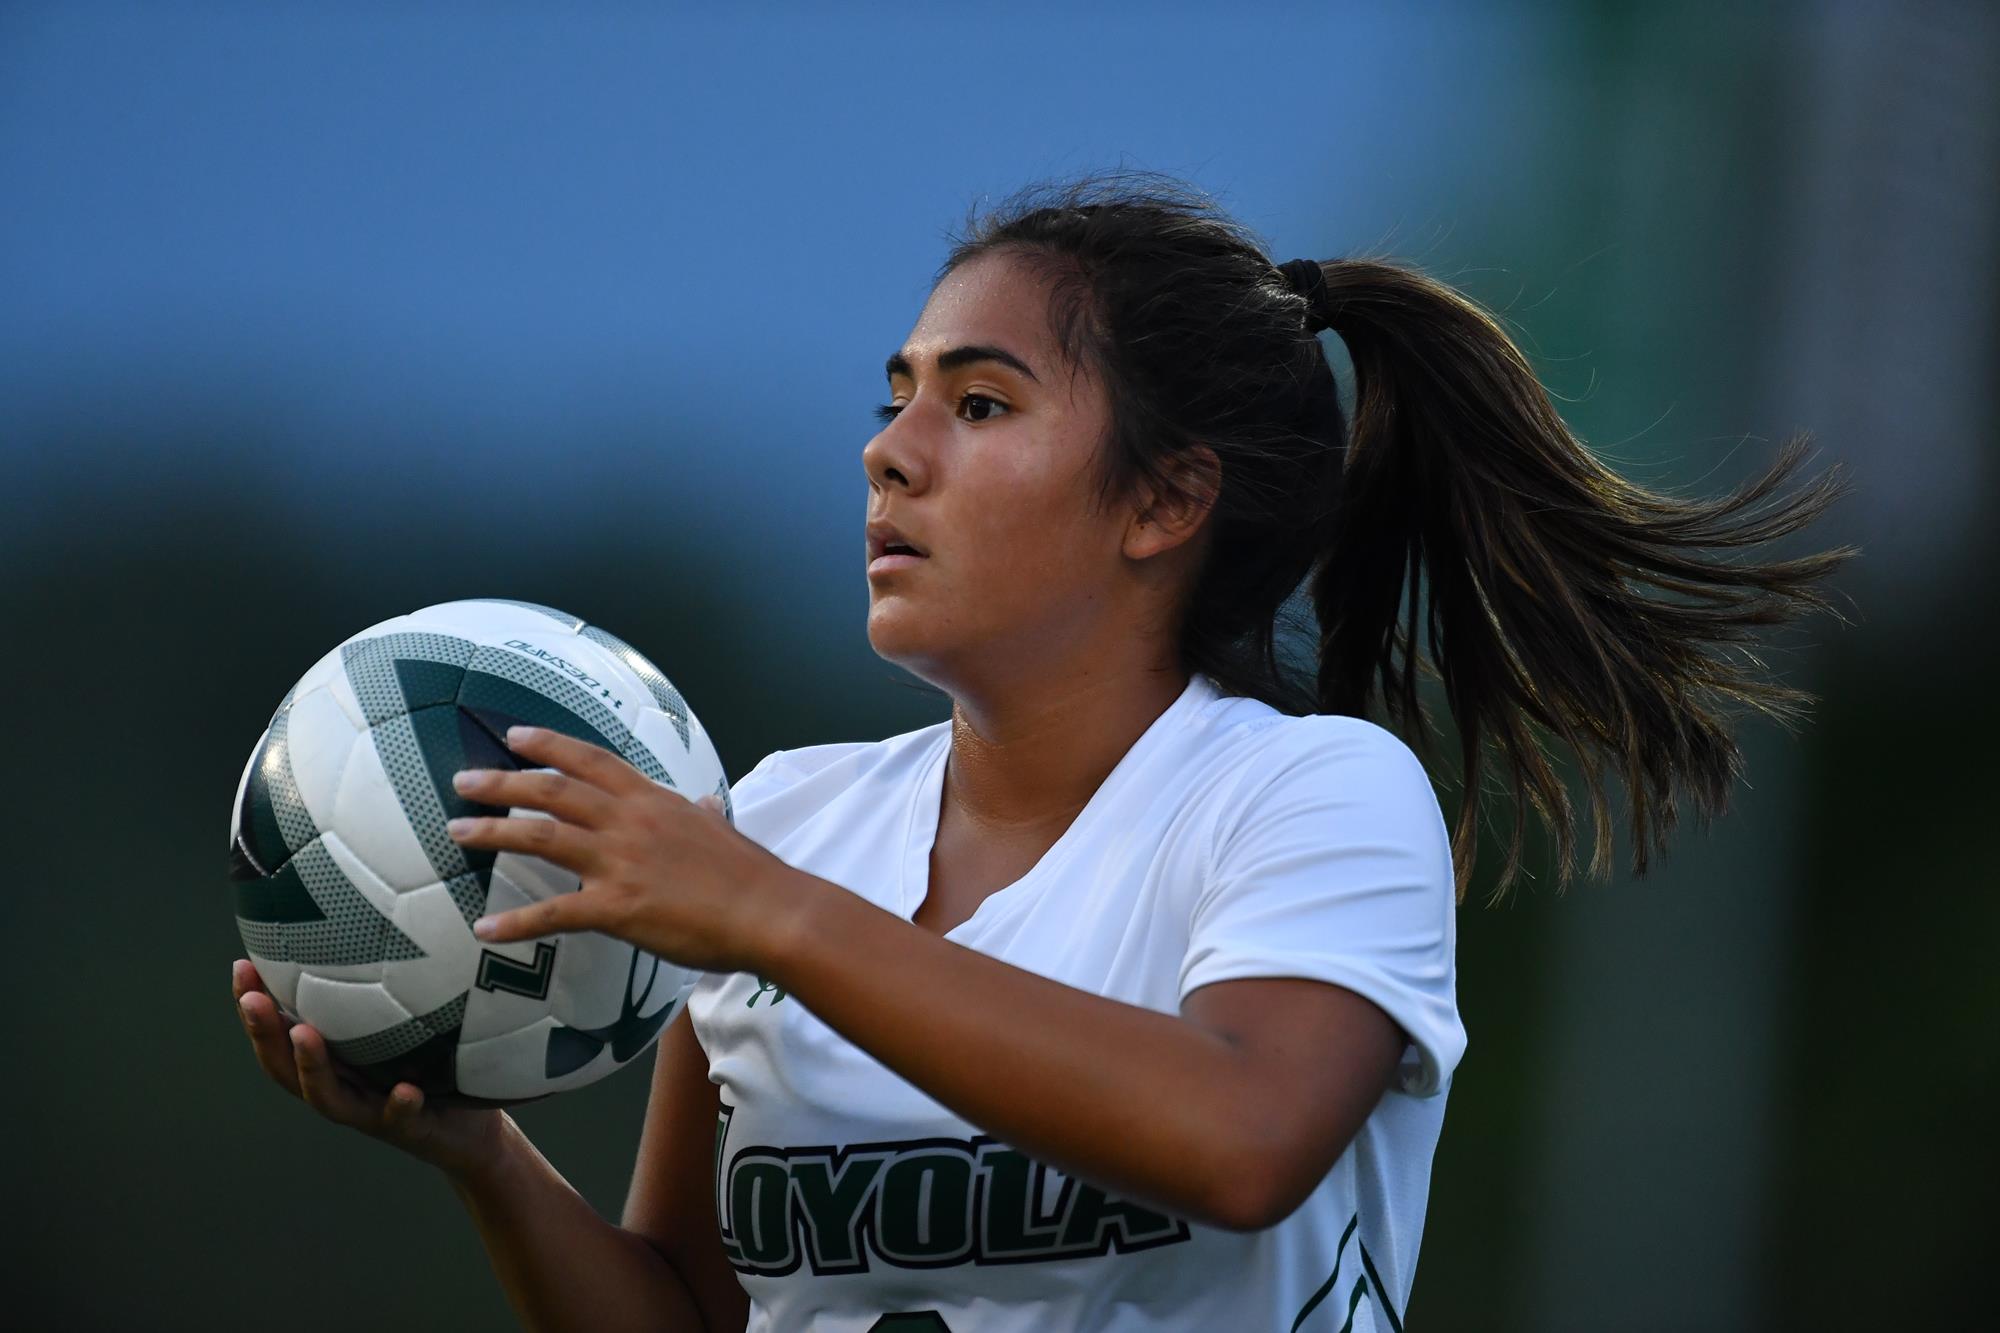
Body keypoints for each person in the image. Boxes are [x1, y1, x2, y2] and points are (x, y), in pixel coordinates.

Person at [231, 171, 1849, 1332]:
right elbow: (683, 1314)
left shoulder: (1310, 794)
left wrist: (765, 914)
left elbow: (1241, 1139)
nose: (891, 448)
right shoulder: (783, 820)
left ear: (1165, 499)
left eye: (982, 405)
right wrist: (483, 1154)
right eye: (896, 397)